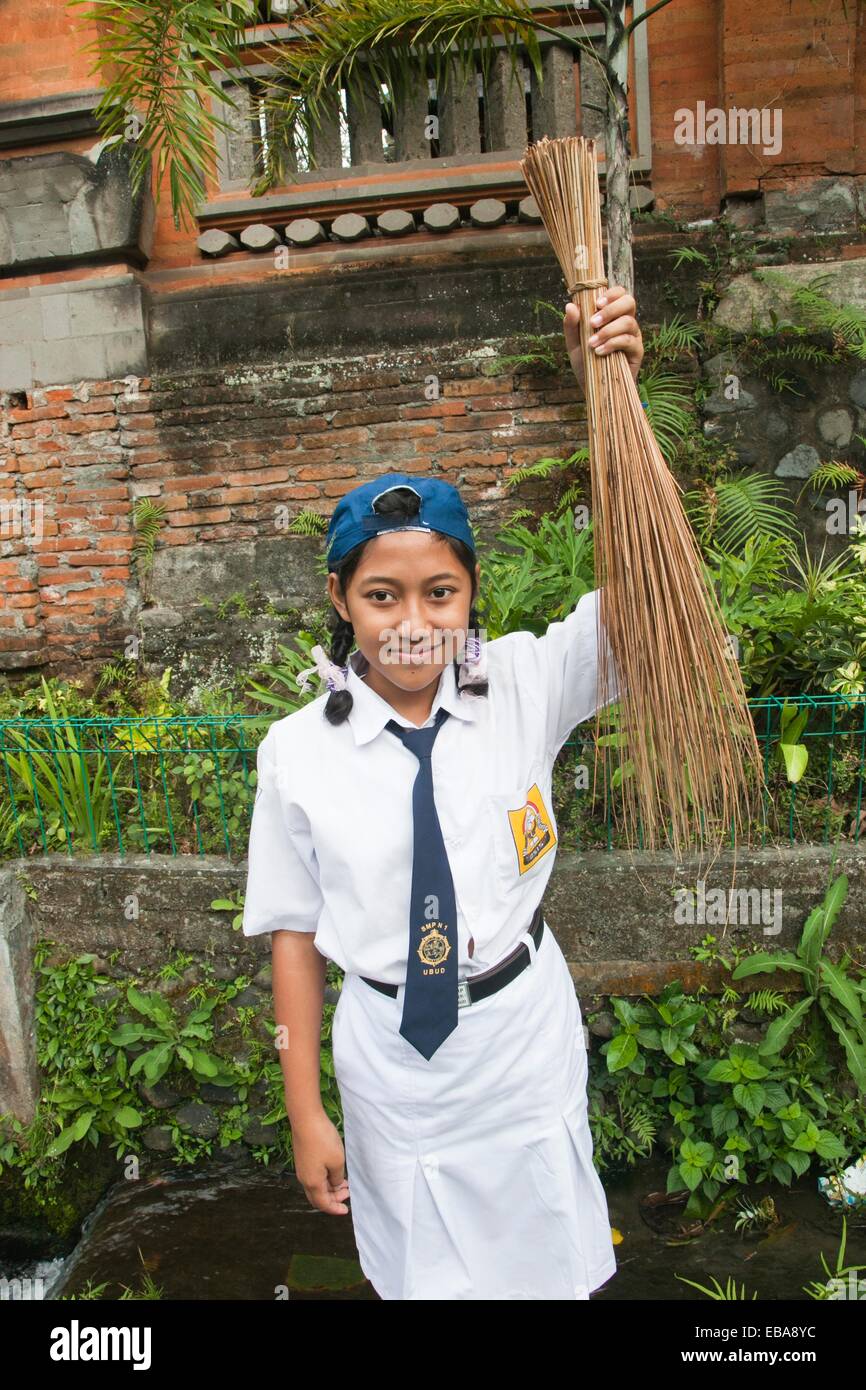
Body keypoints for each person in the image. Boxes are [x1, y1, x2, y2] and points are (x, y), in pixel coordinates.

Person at [242, 286, 645, 1300]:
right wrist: (304, 1112)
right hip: (391, 1066)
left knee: (552, 1263)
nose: (411, 622)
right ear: (339, 599)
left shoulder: (522, 680)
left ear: (471, 594)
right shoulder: (295, 754)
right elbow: (292, 935)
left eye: (439, 592)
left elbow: (646, 592)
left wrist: (607, 397)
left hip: (517, 1041)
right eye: (380, 595)